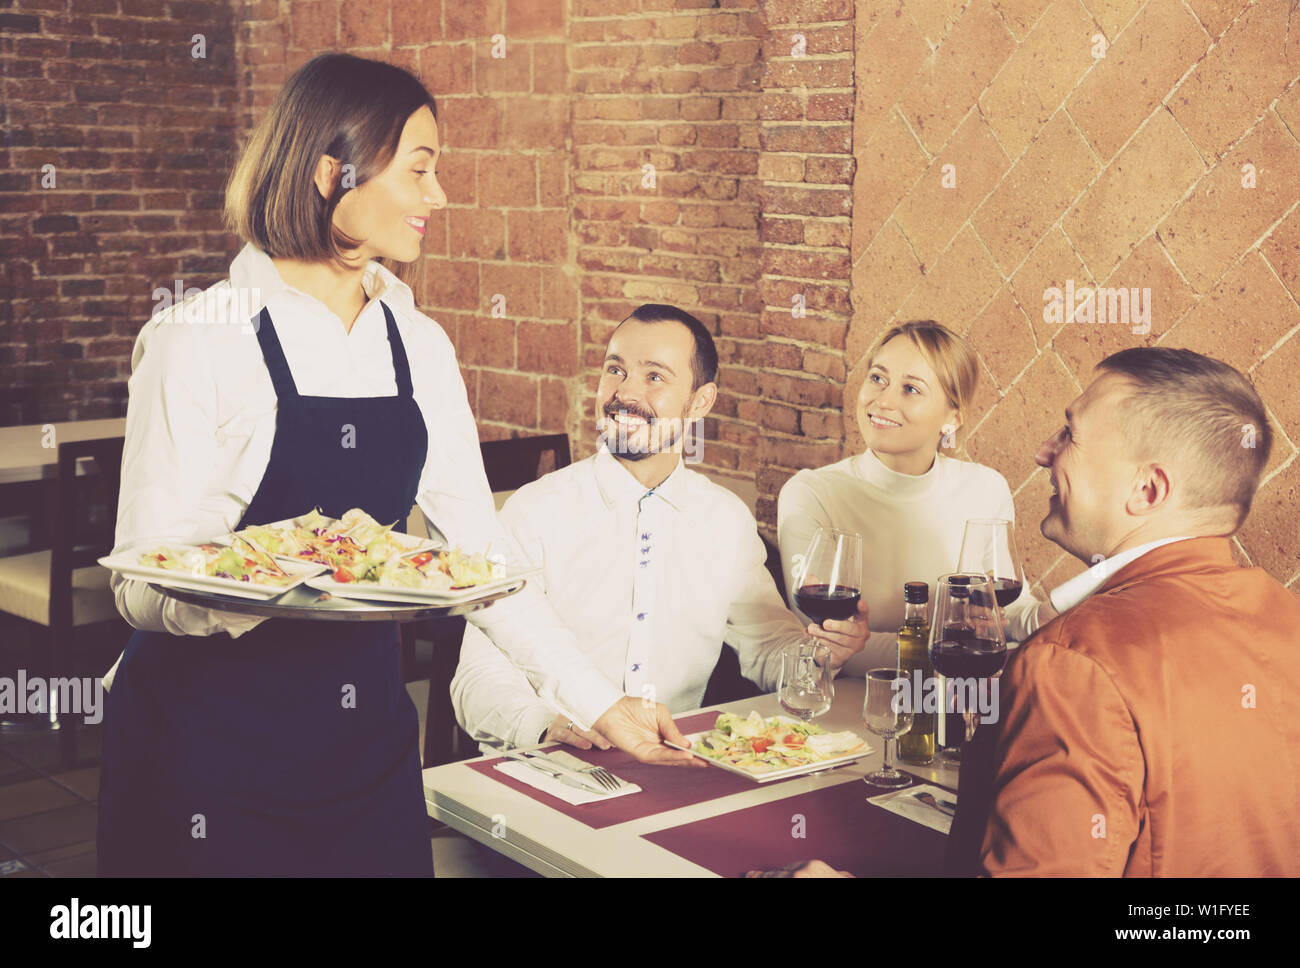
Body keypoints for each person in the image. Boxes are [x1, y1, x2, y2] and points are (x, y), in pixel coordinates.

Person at [97, 54, 691, 877]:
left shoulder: (419, 344)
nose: (438, 196)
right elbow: (136, 587)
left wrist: (599, 704)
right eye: (420, 169)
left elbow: (485, 565)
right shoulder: (200, 339)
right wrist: (279, 585)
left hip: (362, 739)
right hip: (206, 746)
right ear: (328, 172)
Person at [451, 304, 870, 750]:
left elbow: (769, 652)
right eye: (616, 369)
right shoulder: (532, 512)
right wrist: (543, 726)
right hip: (545, 765)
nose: (625, 393)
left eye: (654, 377)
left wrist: (827, 653)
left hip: (670, 766)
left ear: (701, 401)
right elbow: (476, 679)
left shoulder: (725, 519)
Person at [949, 347, 1300, 875]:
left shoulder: (1072, 663)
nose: (1044, 453)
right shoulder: (1287, 617)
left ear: (1147, 489)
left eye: (1070, 435)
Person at [777, 320, 1054, 677]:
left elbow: (1010, 616)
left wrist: (1053, 614)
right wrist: (961, 647)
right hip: (848, 708)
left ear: (952, 418)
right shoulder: (811, 493)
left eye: (910, 388)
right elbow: (825, 640)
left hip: (949, 703)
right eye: (878, 378)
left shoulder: (986, 488)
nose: (883, 401)